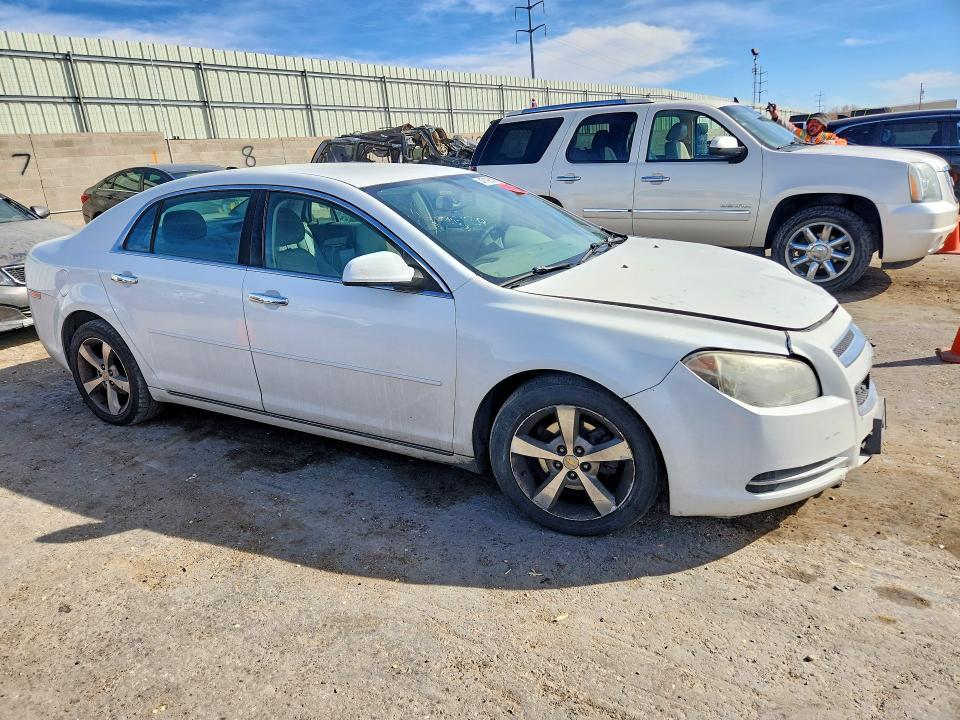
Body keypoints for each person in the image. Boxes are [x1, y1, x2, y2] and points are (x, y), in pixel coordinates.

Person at [766, 104, 847, 145]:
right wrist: (774, 114)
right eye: (813, 121)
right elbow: (784, 124)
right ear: (808, 123)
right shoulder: (800, 133)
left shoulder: (827, 136)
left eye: (818, 122)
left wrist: (830, 143)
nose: (815, 123)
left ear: (822, 128)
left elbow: (843, 142)